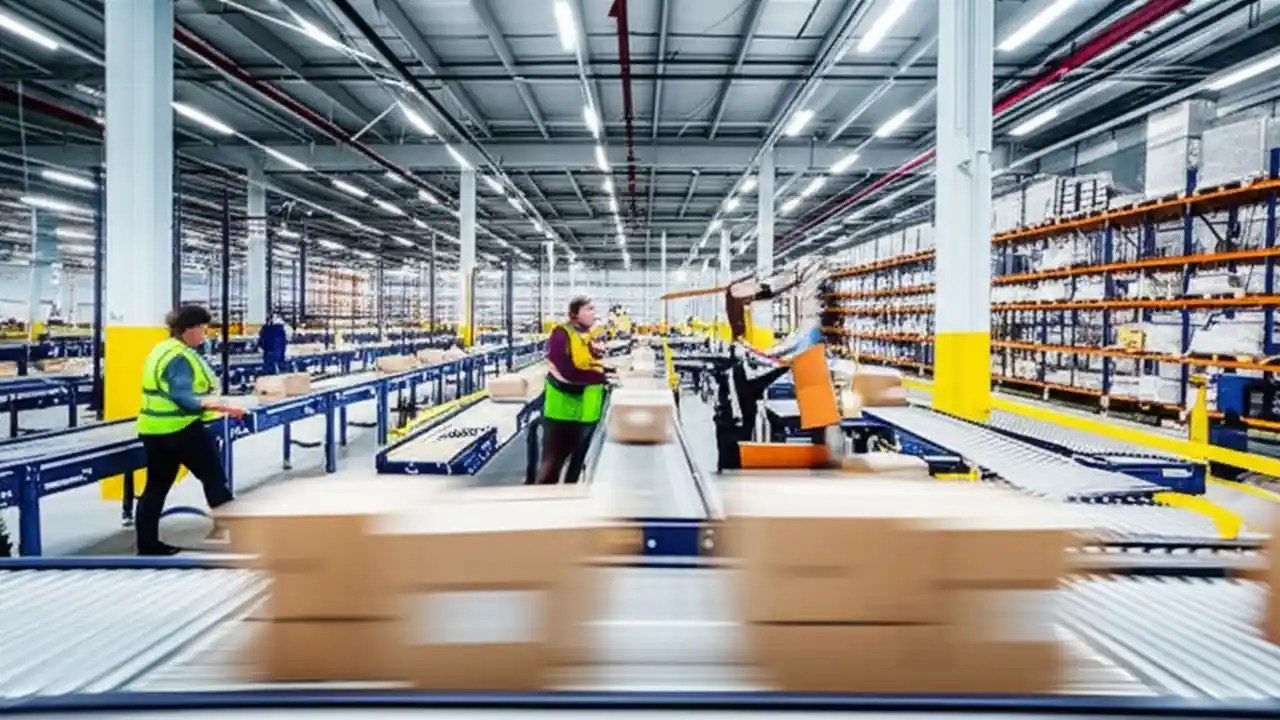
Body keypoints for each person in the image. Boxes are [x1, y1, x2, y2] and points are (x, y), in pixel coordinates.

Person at [135, 304, 246, 556]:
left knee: (156, 486)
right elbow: (182, 396)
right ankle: (232, 536)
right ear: (189, 329)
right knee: (214, 479)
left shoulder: (162, 349)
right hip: (181, 429)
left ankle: (147, 545)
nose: (204, 335)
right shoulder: (179, 358)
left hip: (153, 429)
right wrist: (224, 407)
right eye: (202, 329)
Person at [536, 296, 608, 485]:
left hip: (582, 411)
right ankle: (541, 505)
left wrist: (603, 365)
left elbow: (587, 363)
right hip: (561, 411)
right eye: (589, 309)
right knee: (552, 465)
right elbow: (566, 372)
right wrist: (600, 377)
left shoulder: (583, 335)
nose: (594, 313)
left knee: (576, 465)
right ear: (575, 314)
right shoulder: (561, 334)